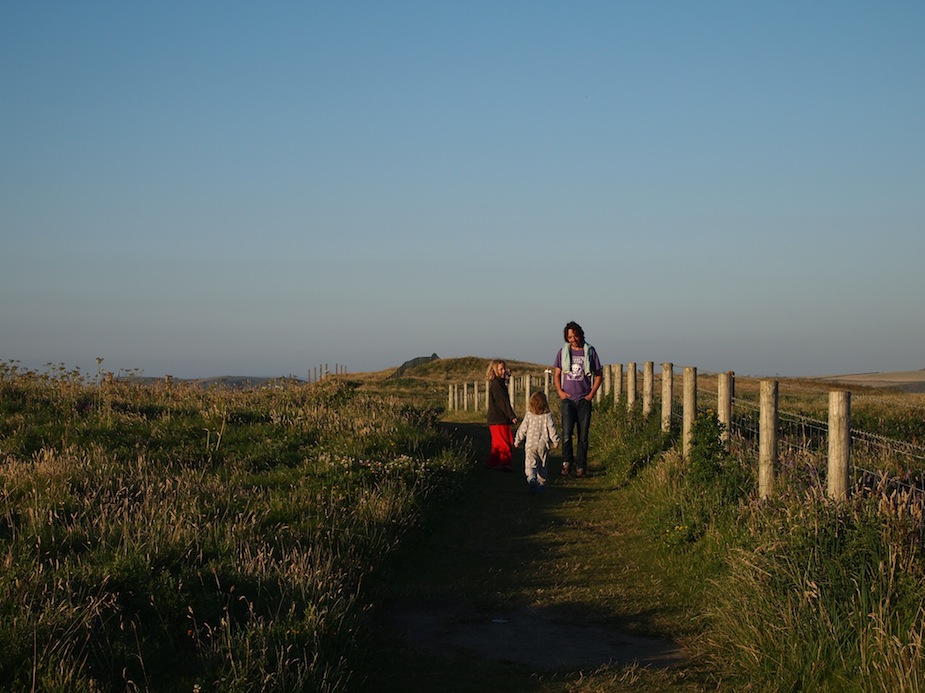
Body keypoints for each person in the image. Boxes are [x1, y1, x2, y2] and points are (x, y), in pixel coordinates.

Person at [553, 321, 603, 478]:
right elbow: (557, 374)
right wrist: (560, 392)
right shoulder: (563, 352)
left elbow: (599, 375)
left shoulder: (590, 352)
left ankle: (581, 467)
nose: (573, 339)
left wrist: (591, 394)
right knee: (566, 434)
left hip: (584, 400)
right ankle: (566, 464)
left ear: (580, 335)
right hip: (567, 400)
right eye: (570, 337)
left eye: (575, 336)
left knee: (583, 436)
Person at [514, 391, 560, 494]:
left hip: (530, 444)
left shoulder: (529, 416)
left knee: (530, 464)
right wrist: (555, 440)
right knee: (542, 464)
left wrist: (517, 440)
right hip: (543, 445)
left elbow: (523, 429)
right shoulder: (547, 416)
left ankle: (531, 478)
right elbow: (552, 429)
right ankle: (541, 484)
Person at [486, 359, 517, 471]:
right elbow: (502, 402)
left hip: (499, 419)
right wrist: (511, 415)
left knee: (497, 444)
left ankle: (493, 463)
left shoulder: (499, 383)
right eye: (501, 369)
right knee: (504, 442)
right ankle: (505, 464)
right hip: (498, 419)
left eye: (504, 368)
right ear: (495, 370)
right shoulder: (497, 385)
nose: (503, 371)